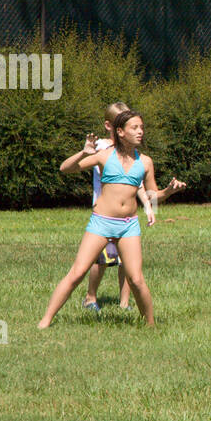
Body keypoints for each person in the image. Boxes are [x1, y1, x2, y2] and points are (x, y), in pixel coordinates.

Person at [38, 110, 186, 327]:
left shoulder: (145, 162)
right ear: (120, 131)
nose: (140, 132)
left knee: (136, 279)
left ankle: (151, 326)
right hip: (101, 222)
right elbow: (65, 168)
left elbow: (153, 196)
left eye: (142, 128)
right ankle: (45, 320)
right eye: (135, 128)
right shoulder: (104, 156)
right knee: (77, 273)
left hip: (129, 226)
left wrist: (169, 191)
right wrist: (83, 152)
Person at [81, 101, 148, 312]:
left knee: (124, 263)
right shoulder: (102, 148)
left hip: (125, 217)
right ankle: (90, 297)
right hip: (103, 213)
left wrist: (147, 205)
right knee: (99, 259)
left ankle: (124, 302)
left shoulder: (131, 153)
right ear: (111, 126)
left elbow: (136, 181)